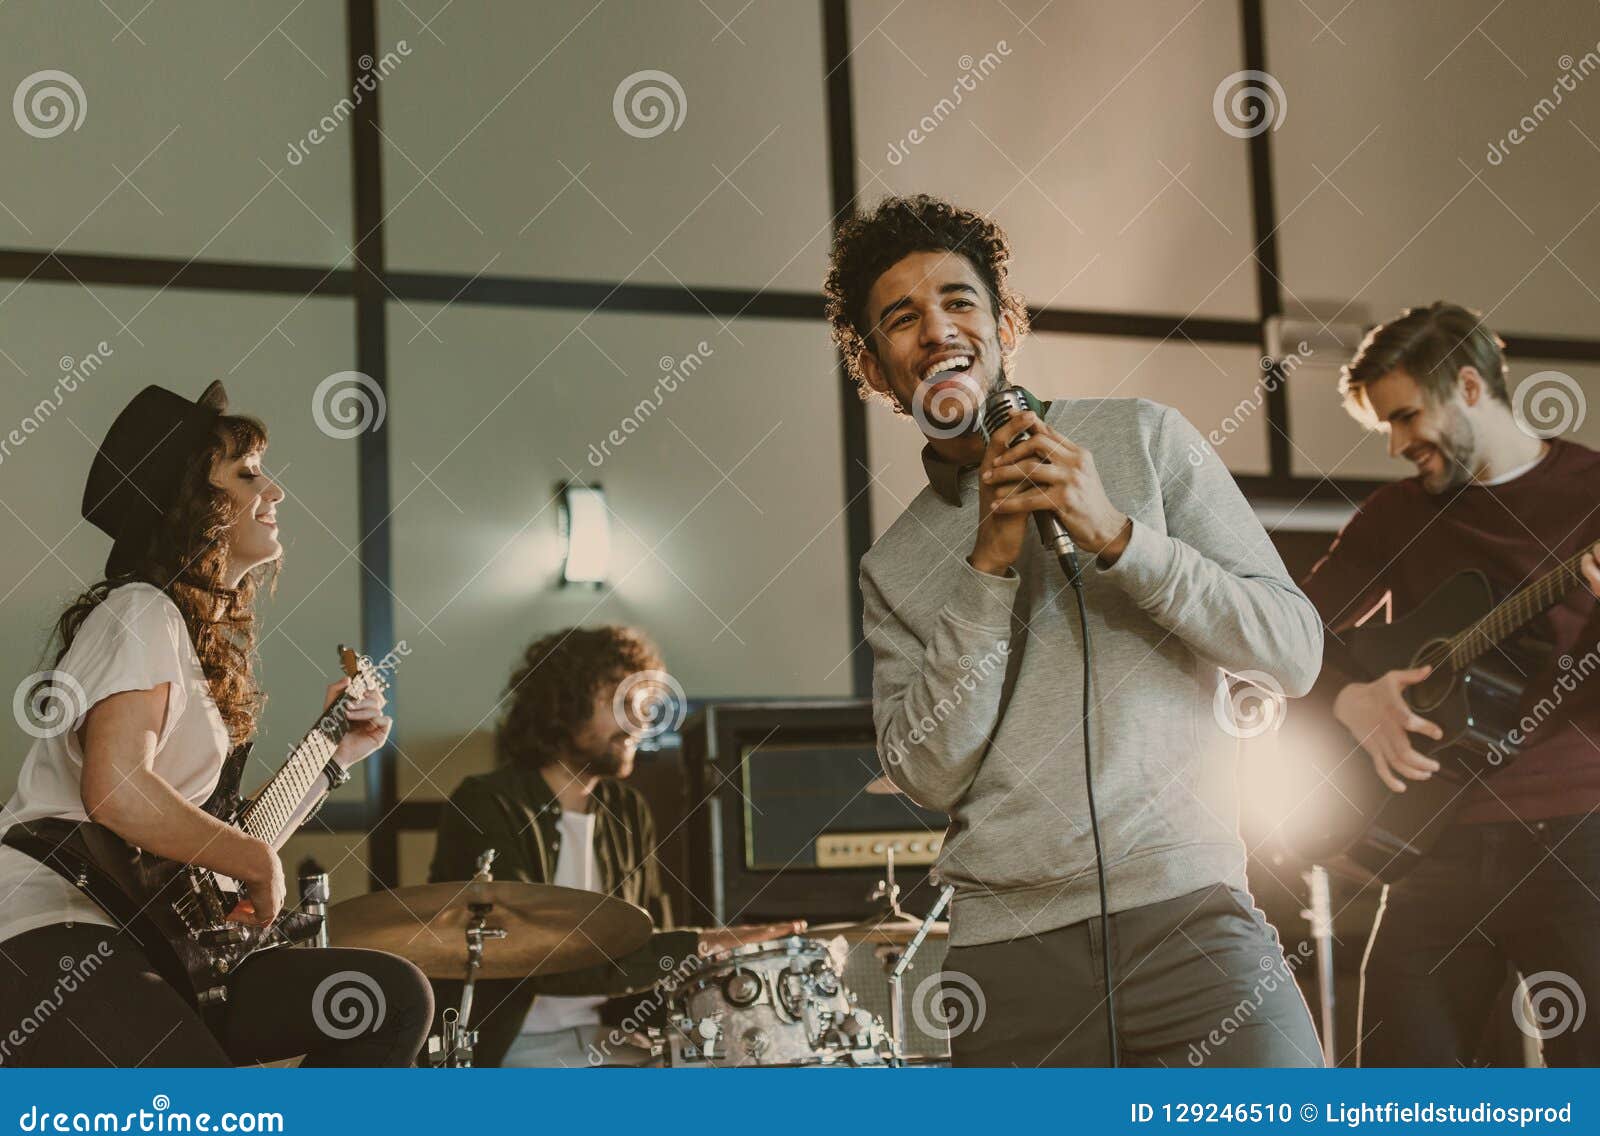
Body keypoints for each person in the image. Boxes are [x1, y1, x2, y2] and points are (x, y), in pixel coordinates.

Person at [825, 194, 1325, 1066]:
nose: (936, 329)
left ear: (1004, 322)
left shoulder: (1144, 437)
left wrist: (1123, 538)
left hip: (1191, 917)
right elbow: (928, 774)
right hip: (1008, 962)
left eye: (958, 301)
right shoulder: (893, 566)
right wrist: (985, 565)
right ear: (876, 370)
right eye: (901, 320)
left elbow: (1292, 649)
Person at [0, 381, 433, 1067]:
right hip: (57, 927)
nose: (276, 490)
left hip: (147, 936)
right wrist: (256, 861)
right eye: (248, 472)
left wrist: (333, 754)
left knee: (390, 997)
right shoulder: (140, 610)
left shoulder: (184, 639)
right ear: (194, 502)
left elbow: (213, 845)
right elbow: (115, 790)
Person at [1300, 302, 1600, 1066]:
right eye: (1387, 428)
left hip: (1579, 839)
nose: (1401, 446)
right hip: (1436, 841)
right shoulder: (1395, 516)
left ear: (1469, 386)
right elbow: (1287, 633)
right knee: (1397, 1096)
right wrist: (1350, 697)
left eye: (1406, 417)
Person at [430, 625, 800, 1067]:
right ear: (562, 706)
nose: (640, 721)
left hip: (610, 1037)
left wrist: (735, 957)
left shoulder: (628, 810)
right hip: (512, 1044)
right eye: (621, 702)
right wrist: (699, 943)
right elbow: (531, 954)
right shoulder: (486, 802)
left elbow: (648, 940)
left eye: (645, 705)